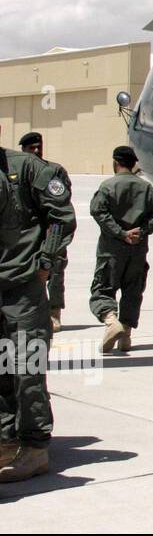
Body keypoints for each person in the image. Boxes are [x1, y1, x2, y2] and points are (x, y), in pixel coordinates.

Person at [0, 124, 77, 482]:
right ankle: (6, 439)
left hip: (23, 288)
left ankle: (35, 448)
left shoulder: (27, 169)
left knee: (25, 366)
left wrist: (46, 262)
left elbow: (61, 217)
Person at [88, 146, 153, 354]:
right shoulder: (146, 188)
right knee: (133, 291)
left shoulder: (108, 186)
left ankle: (112, 322)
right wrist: (140, 232)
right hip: (138, 251)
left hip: (111, 250)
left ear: (115, 162)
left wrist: (121, 233)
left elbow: (98, 212)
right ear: (133, 164)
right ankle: (126, 336)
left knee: (103, 290)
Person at [19, 132, 72, 333]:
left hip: (51, 231)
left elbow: (62, 203)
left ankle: (54, 313)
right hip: (26, 234)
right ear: (23, 149)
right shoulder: (16, 169)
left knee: (56, 273)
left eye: (38, 147)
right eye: (31, 148)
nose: (35, 151)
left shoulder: (54, 170)